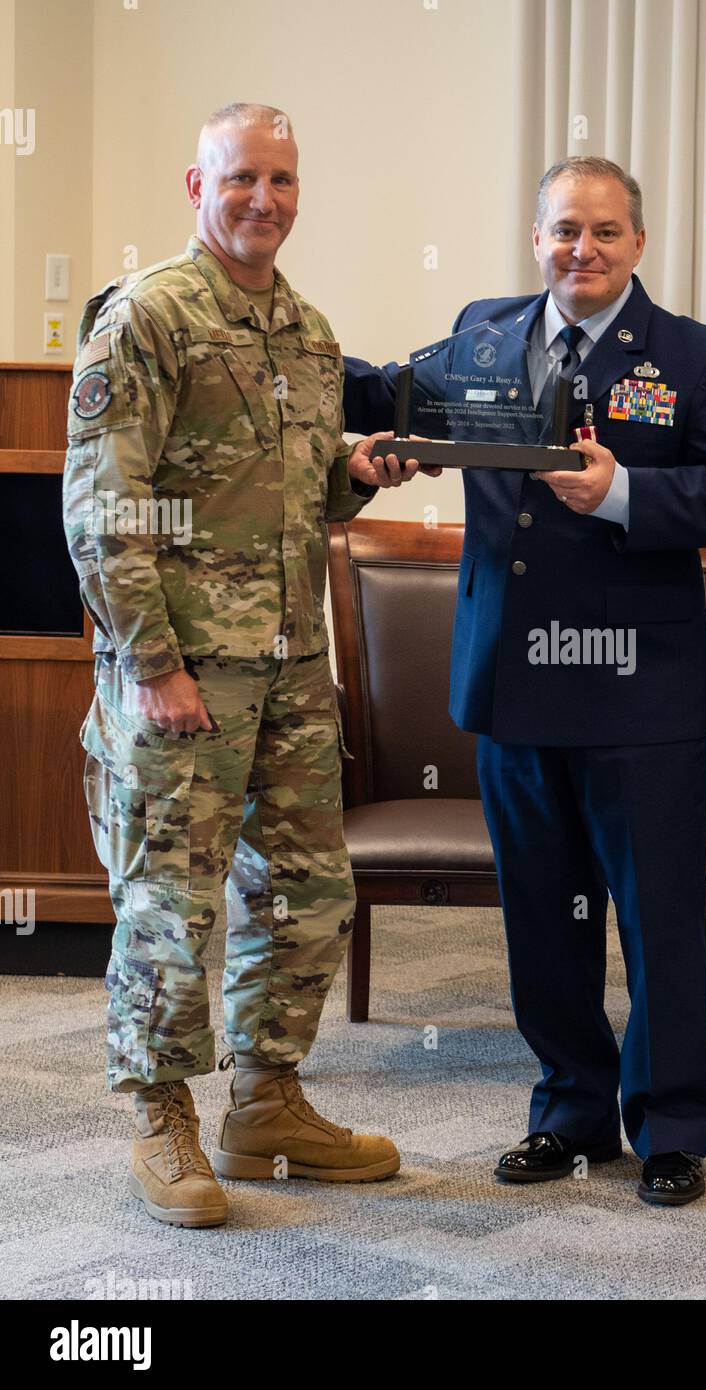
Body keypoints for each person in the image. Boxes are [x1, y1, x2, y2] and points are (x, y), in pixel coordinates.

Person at [344, 156, 706, 1205]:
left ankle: (671, 1125)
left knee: (660, 917)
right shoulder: (484, 334)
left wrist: (624, 491)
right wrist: (351, 420)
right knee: (544, 915)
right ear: (536, 236)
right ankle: (569, 1110)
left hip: (640, 693)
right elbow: (382, 393)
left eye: (605, 232)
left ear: (638, 242)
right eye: (563, 231)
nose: (582, 249)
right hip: (514, 689)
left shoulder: (697, 358)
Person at [63, 103, 426, 1228]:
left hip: (290, 672)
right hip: (182, 676)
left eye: (279, 179)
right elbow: (101, 509)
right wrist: (152, 664)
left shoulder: (308, 333)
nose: (261, 199)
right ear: (195, 185)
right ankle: (161, 1112)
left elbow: (299, 488)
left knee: (307, 890)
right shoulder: (149, 319)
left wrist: (357, 468)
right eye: (239, 180)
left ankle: (267, 1096)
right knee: (172, 903)